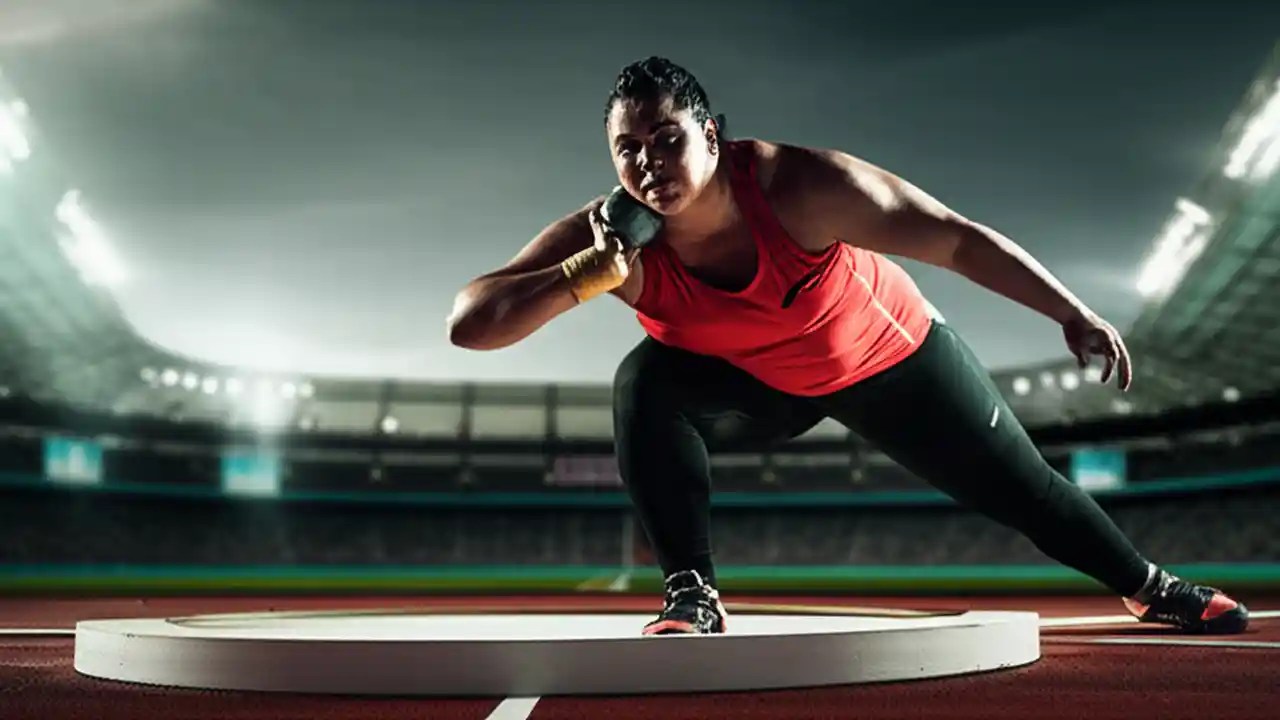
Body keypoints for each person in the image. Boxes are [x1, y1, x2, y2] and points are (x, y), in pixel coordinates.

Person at [447, 56, 1248, 636]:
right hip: (759, 385)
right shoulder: (607, 242)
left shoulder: (800, 187)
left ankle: (1150, 586)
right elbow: (471, 323)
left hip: (886, 361)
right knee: (644, 384)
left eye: (666, 140)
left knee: (1022, 490)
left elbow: (956, 241)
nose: (648, 163)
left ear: (713, 137)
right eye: (628, 149)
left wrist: (1067, 311)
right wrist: (582, 277)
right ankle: (691, 594)